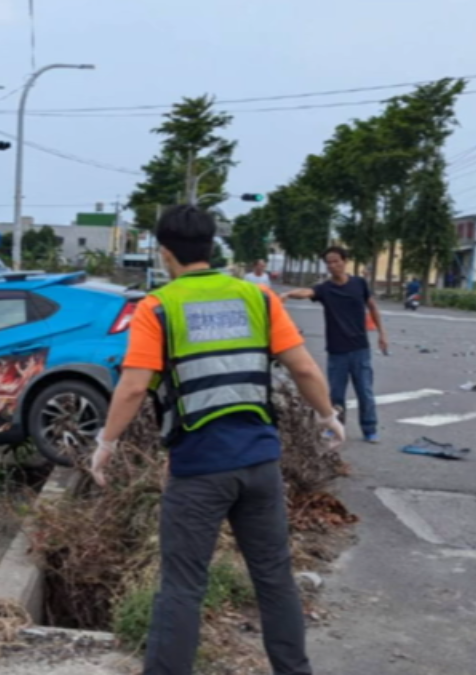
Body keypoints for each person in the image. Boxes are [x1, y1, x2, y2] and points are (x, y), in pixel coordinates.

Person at [89, 205, 345, 675]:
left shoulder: (159, 307)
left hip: (199, 470)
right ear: (212, 248)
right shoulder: (259, 298)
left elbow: (132, 386)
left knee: (183, 586)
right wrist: (328, 415)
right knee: (274, 579)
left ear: (166, 253)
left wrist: (106, 444)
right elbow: (304, 367)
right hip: (261, 464)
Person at [281, 246, 387, 442]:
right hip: (336, 351)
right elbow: (307, 292)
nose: (333, 266)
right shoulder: (325, 289)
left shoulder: (359, 283)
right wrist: (288, 294)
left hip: (360, 348)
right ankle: (335, 427)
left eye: (336, 261)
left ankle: (369, 429)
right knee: (336, 394)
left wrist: (382, 334)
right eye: (329, 262)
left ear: (344, 261)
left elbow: (372, 306)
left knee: (365, 391)